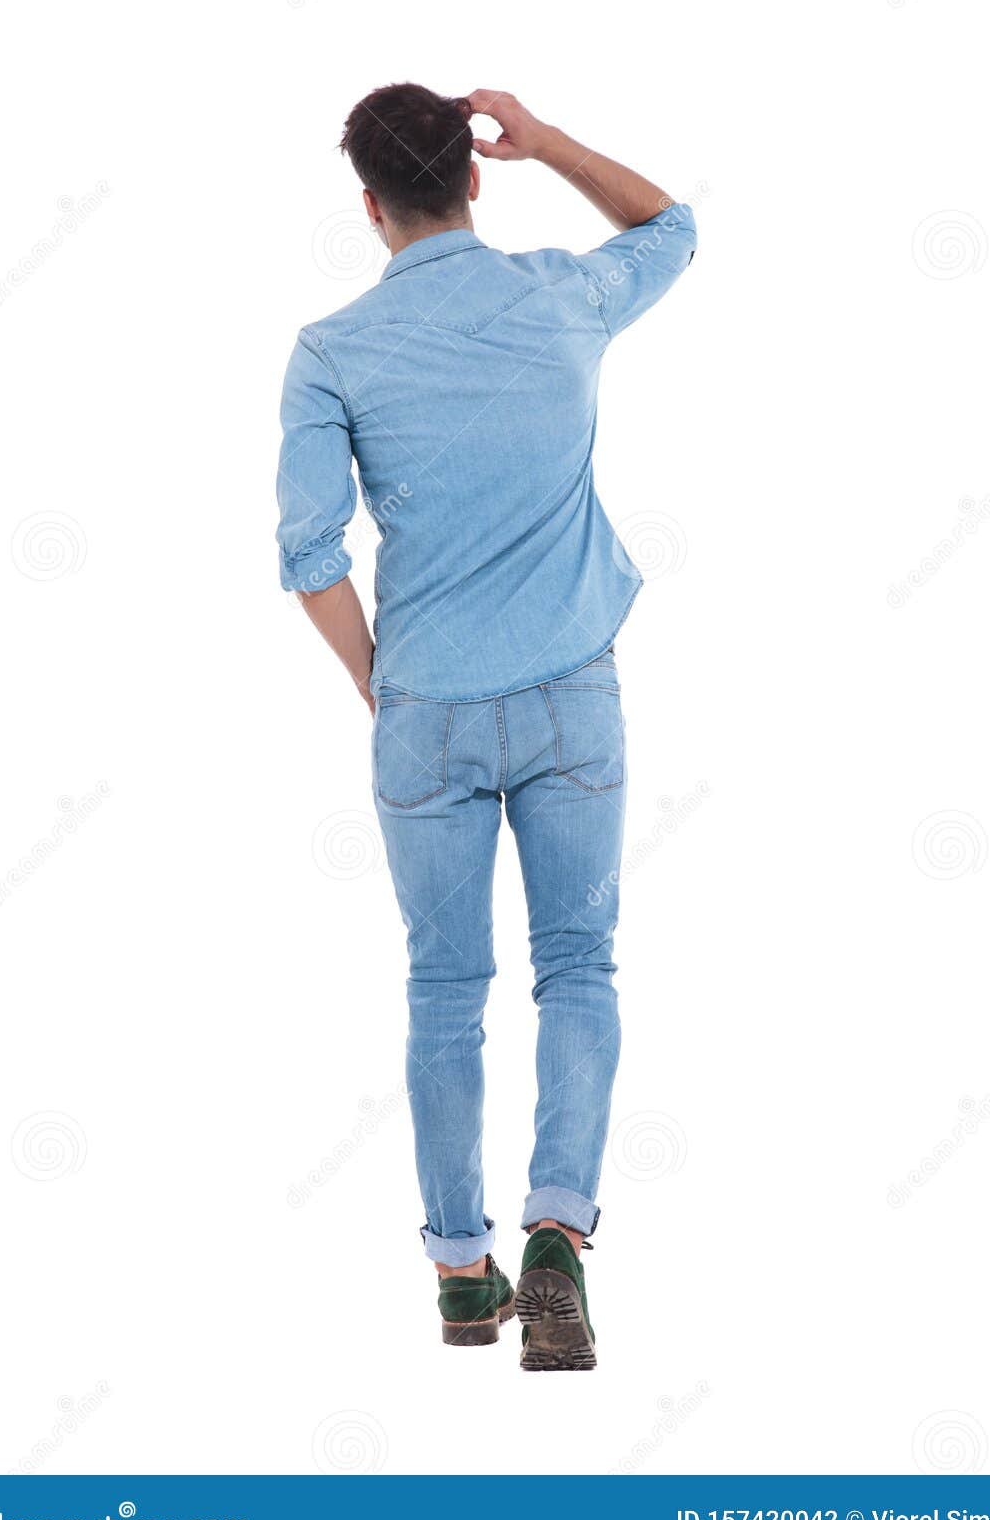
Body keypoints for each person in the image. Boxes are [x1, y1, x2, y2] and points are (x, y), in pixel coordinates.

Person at [276, 85, 696, 1369]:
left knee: (442, 987)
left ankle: (462, 1273)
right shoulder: (561, 296)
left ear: (367, 206)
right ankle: (556, 1229)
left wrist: (378, 681)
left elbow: (308, 557)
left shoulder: (331, 351)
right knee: (579, 966)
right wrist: (554, 140)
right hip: (572, 690)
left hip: (425, 711)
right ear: (477, 173)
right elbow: (672, 225)